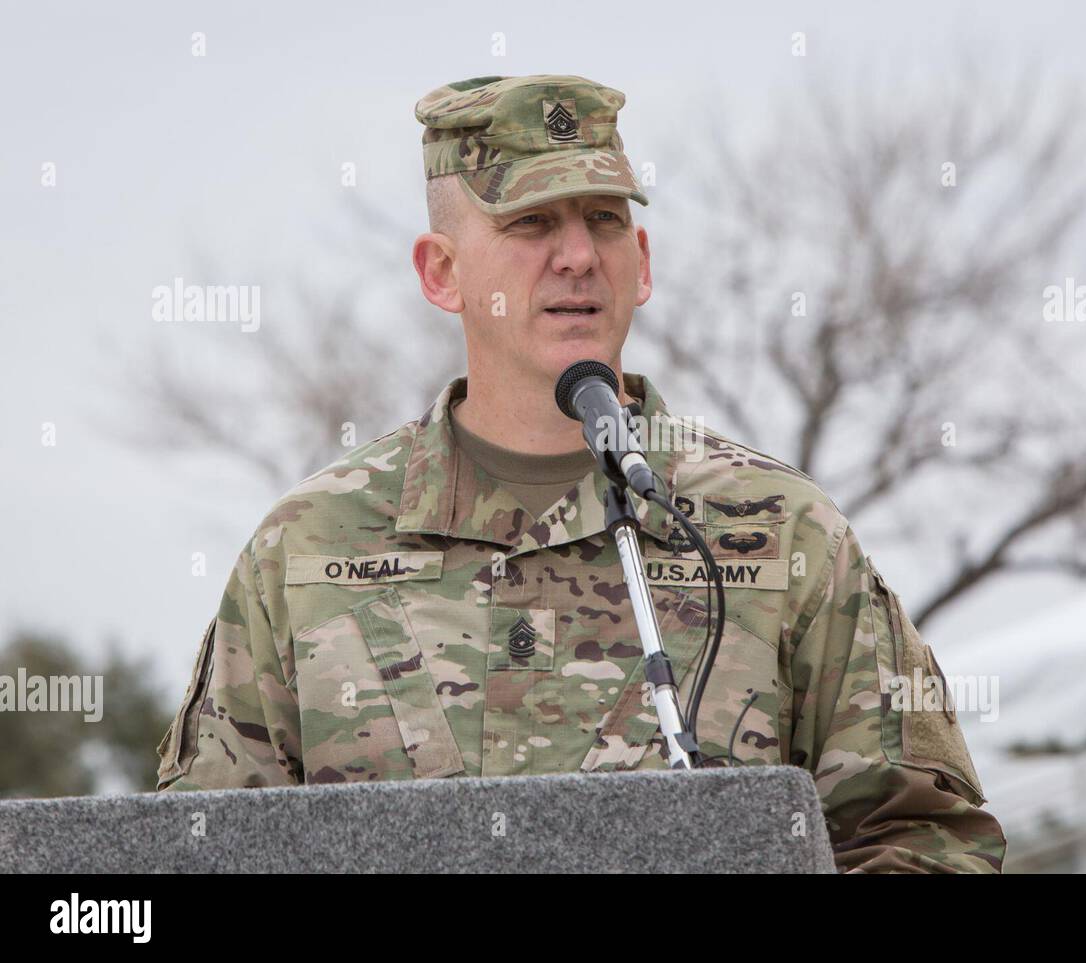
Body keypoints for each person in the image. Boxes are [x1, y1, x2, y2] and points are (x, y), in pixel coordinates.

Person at [156, 74, 1006, 873]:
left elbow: (926, 838)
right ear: (442, 273)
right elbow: (196, 849)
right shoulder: (306, 551)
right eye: (531, 224)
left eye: (602, 219)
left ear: (642, 257)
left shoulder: (780, 533)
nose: (576, 255)